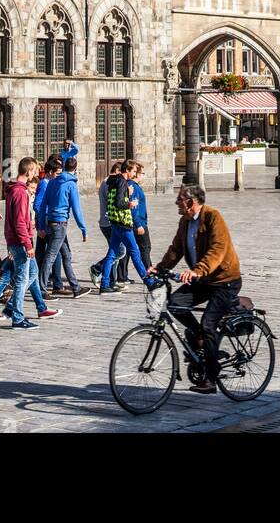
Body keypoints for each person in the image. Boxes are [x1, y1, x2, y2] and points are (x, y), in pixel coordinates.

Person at [151, 183, 242, 394]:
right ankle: (200, 337)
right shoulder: (184, 222)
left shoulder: (213, 217)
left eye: (179, 199)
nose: (176, 203)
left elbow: (217, 249)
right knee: (175, 304)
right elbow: (176, 249)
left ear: (191, 202)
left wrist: (197, 271)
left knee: (209, 324)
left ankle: (210, 378)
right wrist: (160, 267)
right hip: (204, 280)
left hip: (224, 281)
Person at [0, 157, 61, 328]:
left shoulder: (16, 189)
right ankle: (17, 317)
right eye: (34, 171)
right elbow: (19, 222)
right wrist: (27, 244)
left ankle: (14, 308)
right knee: (21, 279)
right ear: (28, 171)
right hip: (19, 242)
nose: (35, 174)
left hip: (18, 240)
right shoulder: (19, 192)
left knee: (32, 273)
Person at [37, 156, 90, 298]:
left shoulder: (52, 183)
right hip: (60, 224)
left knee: (66, 255)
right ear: (75, 169)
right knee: (51, 256)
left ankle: (75, 287)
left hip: (50, 222)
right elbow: (76, 208)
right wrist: (83, 228)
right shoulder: (71, 185)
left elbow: (43, 206)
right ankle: (41, 289)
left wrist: (41, 225)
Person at [99, 158, 148, 294]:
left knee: (112, 253)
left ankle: (104, 284)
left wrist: (128, 193)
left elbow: (116, 198)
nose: (134, 173)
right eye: (133, 171)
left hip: (115, 222)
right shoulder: (121, 182)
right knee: (135, 252)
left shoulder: (114, 181)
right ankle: (149, 282)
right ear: (127, 170)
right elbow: (119, 203)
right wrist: (130, 203)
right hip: (123, 223)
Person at [89, 161, 125, 288]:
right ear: (117, 171)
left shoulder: (108, 182)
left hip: (108, 221)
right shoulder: (109, 183)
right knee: (120, 251)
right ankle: (97, 268)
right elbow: (115, 203)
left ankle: (112, 280)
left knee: (114, 250)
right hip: (108, 222)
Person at [34, 157, 65, 294]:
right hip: (46, 223)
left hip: (46, 223)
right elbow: (38, 205)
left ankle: (37, 279)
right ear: (51, 172)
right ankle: (57, 283)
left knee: (40, 253)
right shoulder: (44, 184)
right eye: (57, 173)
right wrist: (42, 224)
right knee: (55, 253)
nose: (59, 176)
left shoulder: (49, 183)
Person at [131, 163, 151, 272]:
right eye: (142, 173)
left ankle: (121, 276)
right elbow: (134, 207)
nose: (143, 176)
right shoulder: (133, 187)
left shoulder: (134, 186)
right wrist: (138, 224)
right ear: (137, 174)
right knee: (145, 248)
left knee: (128, 251)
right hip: (139, 224)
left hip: (139, 222)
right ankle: (149, 272)